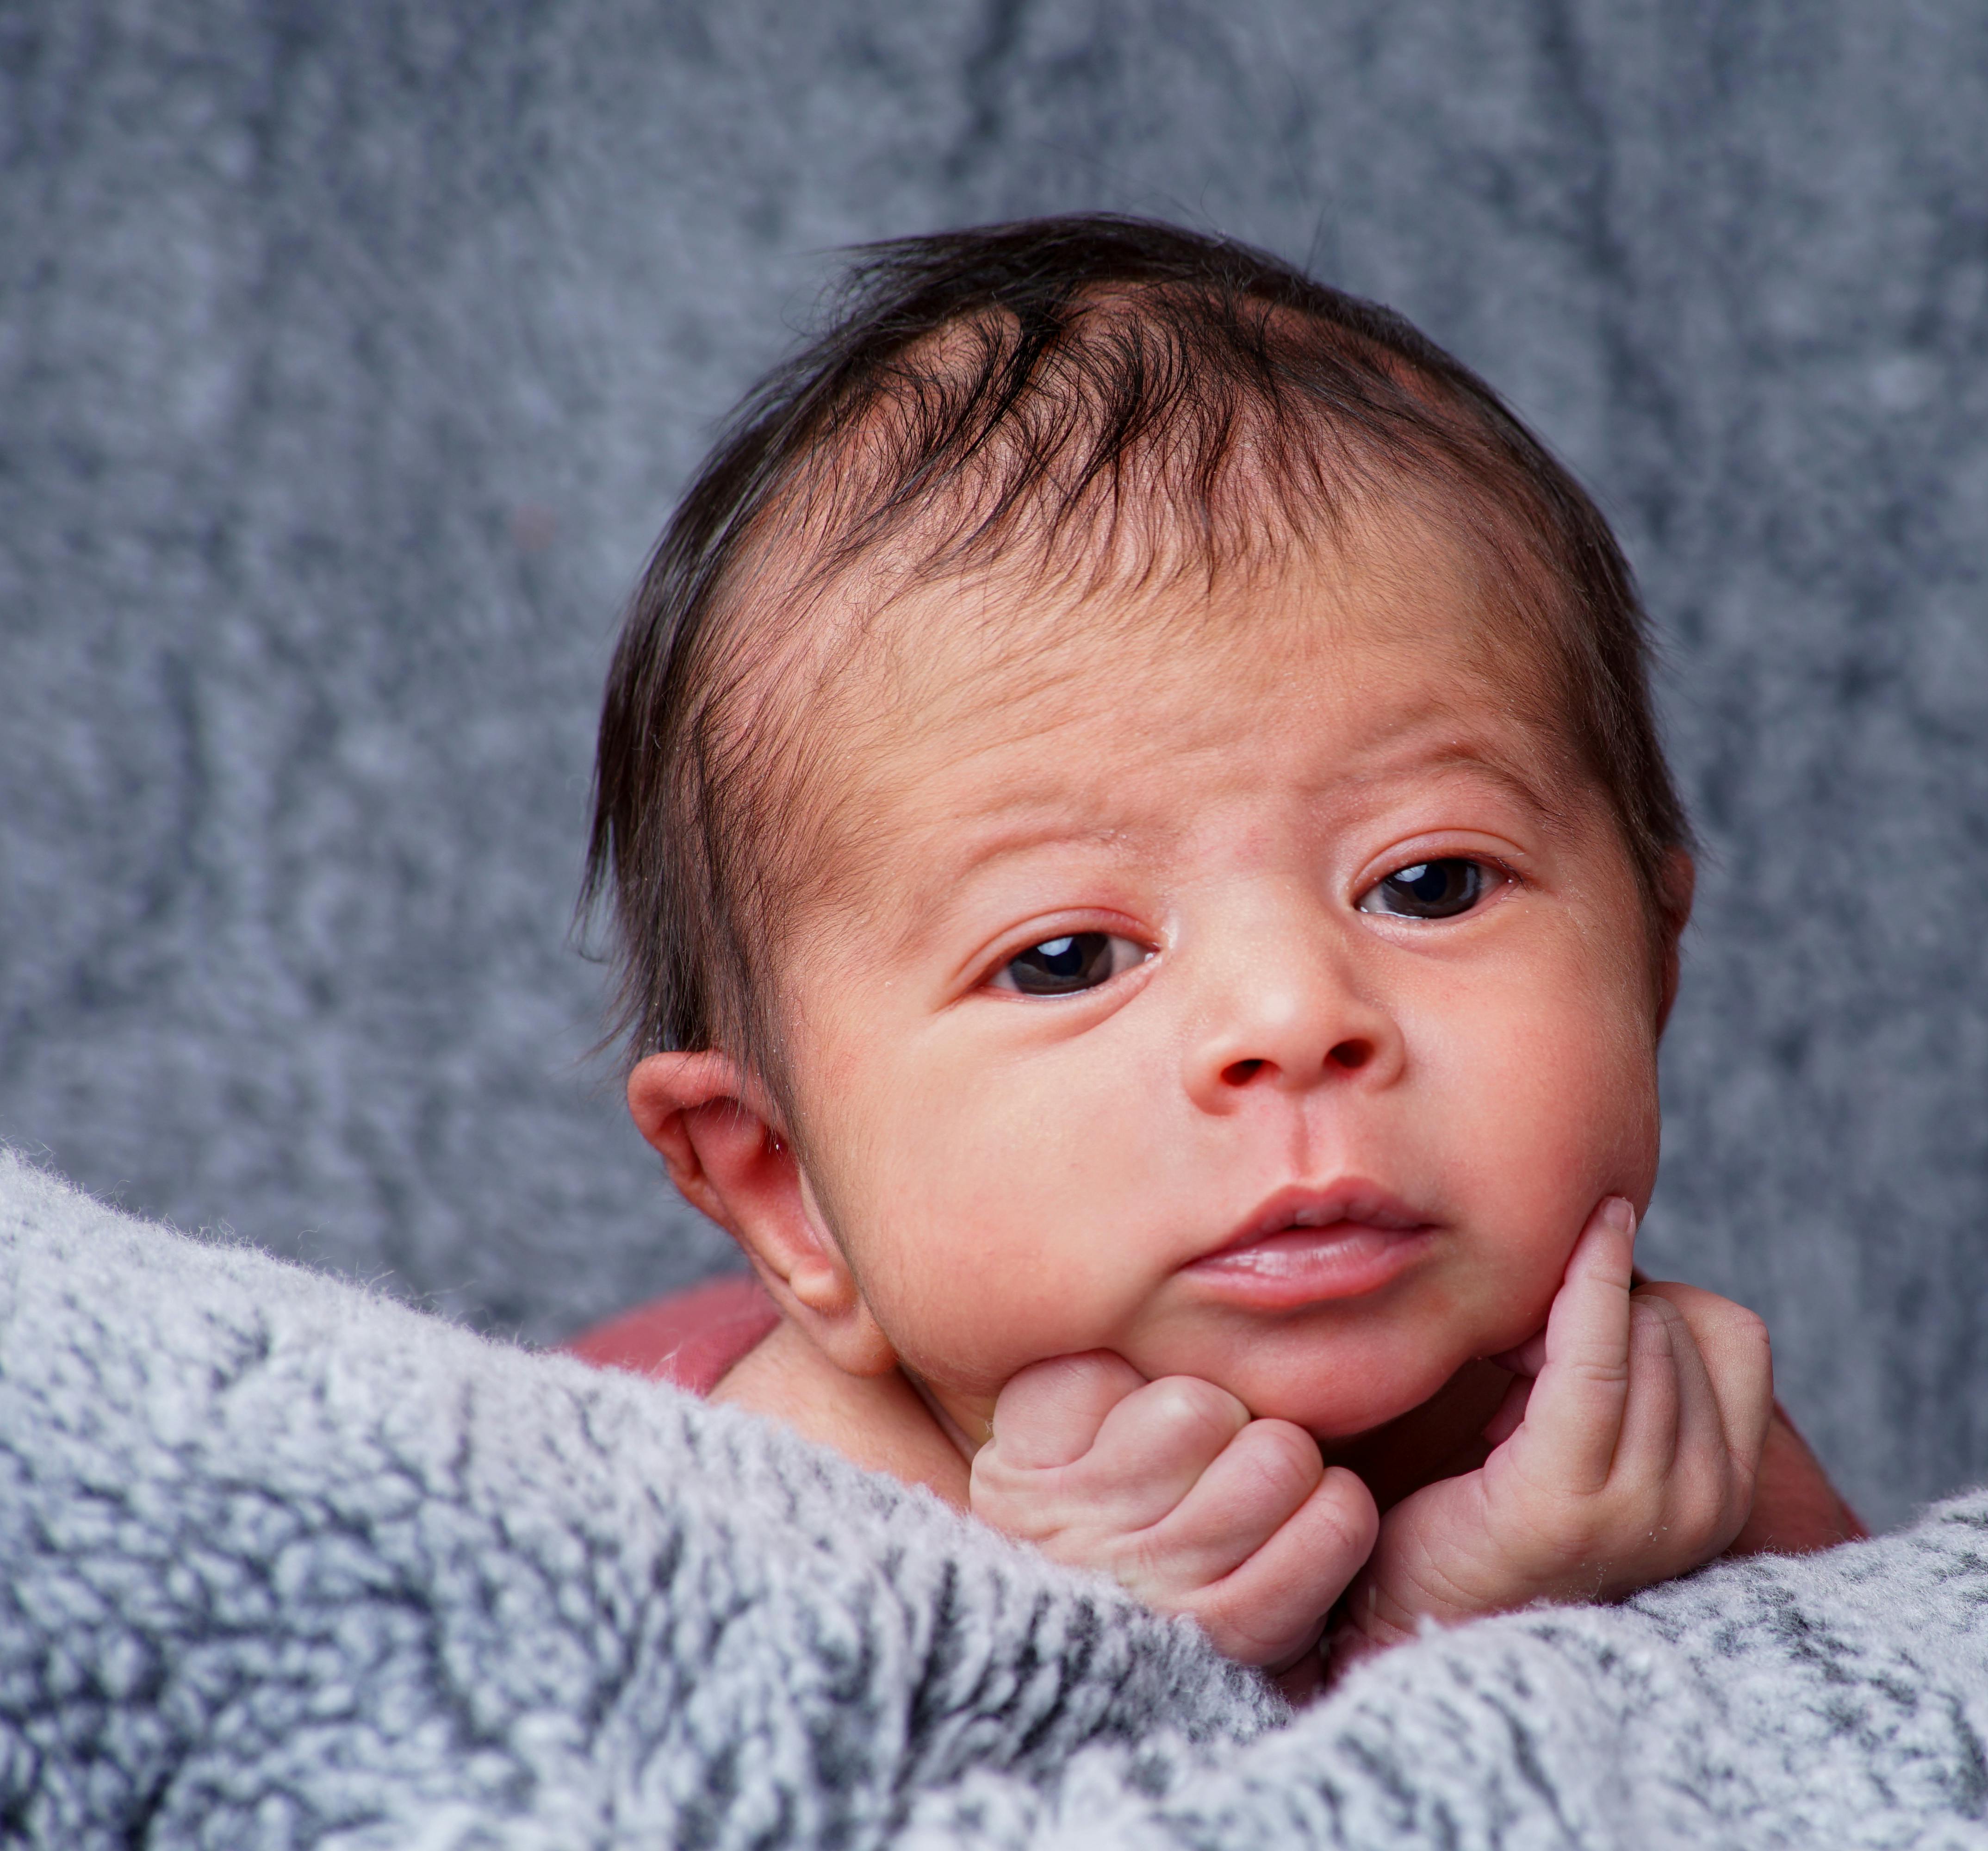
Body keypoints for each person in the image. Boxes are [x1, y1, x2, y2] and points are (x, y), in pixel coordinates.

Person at [589, 215, 1858, 1697]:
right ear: (785, 1185)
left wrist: (1490, 1624)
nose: (1292, 1015)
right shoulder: (773, 1507)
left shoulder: (1659, 1445)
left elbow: (1923, 1766)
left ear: (1652, 969)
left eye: (1430, 883)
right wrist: (1079, 1661)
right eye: (1066, 958)